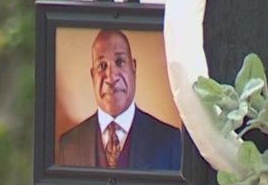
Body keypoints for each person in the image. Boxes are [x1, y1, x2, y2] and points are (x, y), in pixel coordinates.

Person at [55, 29, 182, 170]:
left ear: (133, 68)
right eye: (102, 66)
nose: (111, 78)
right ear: (92, 76)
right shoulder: (68, 145)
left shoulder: (170, 141)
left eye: (120, 62)